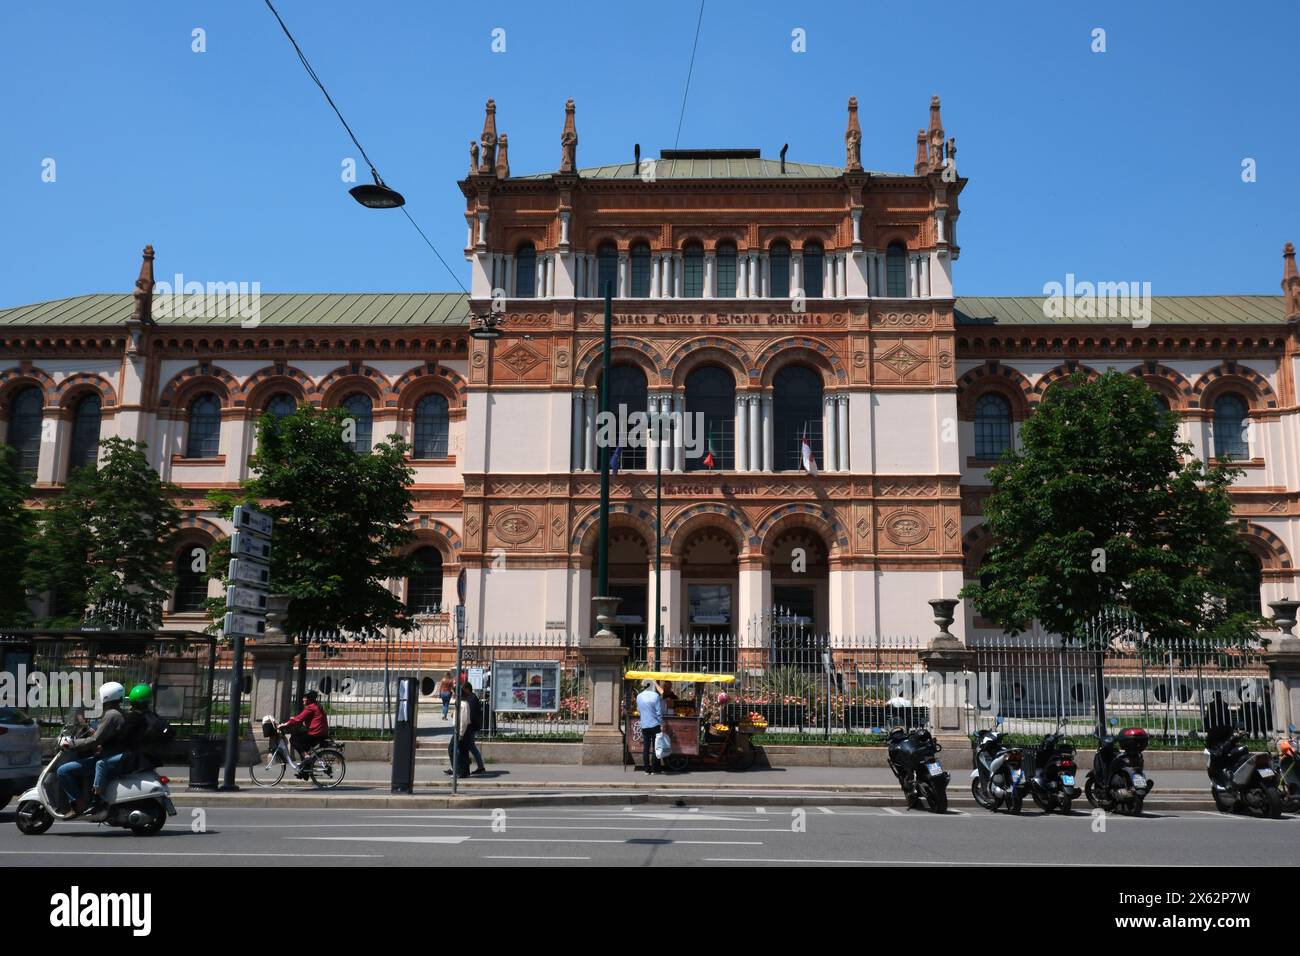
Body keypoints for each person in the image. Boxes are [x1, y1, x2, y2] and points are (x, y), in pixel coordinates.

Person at [57, 681, 128, 814]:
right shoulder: (119, 712)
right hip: (112, 754)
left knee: (63, 770)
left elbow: (95, 739)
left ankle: (79, 804)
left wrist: (72, 744)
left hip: (108, 755)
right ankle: (89, 798)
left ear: (106, 696)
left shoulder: (111, 715)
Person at [445, 681, 487, 776]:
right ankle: (464, 769)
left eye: (464, 689)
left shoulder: (471, 699)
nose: (462, 691)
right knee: (465, 748)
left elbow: (465, 717)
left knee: (457, 748)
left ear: (467, 689)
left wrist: (461, 733)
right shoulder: (468, 699)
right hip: (468, 728)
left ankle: (459, 769)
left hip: (468, 728)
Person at [279, 688, 328, 768]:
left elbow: (298, 719)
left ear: (310, 699)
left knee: (294, 739)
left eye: (305, 697)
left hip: (315, 734)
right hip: (320, 733)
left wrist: (284, 725)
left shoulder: (311, 707)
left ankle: (307, 758)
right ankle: (305, 770)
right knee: (303, 747)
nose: (303, 699)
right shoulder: (316, 706)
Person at [635, 679, 664, 774]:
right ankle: (655, 769)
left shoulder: (639, 696)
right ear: (652, 686)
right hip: (655, 724)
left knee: (646, 748)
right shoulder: (655, 696)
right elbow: (659, 712)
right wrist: (661, 723)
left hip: (645, 725)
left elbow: (638, 710)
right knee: (656, 747)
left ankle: (646, 770)